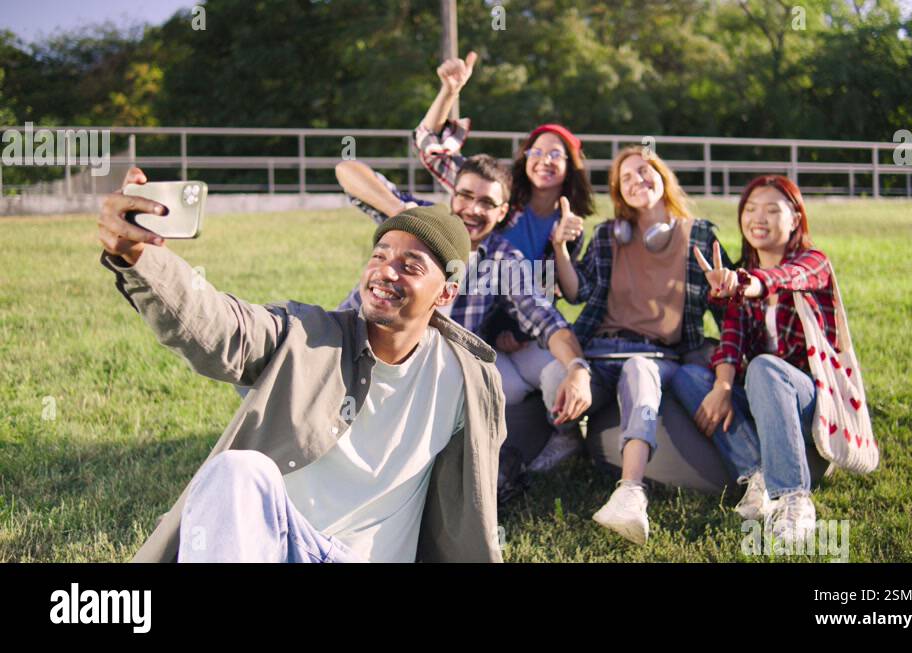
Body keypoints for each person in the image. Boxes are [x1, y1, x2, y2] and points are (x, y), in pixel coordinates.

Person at [98, 167, 507, 563]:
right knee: (237, 472)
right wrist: (141, 260)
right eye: (380, 255)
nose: (385, 271)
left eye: (410, 266)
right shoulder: (308, 336)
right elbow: (222, 329)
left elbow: (473, 501)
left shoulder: (468, 379)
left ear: (446, 293)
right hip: (278, 546)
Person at [337, 155, 593, 498]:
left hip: (428, 375)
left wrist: (577, 368)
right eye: (466, 196)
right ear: (452, 195)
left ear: (502, 212)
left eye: (487, 202)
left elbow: (546, 318)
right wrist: (398, 209)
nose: (472, 209)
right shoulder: (422, 222)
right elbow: (346, 170)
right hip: (357, 345)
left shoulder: (503, 259)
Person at [537, 146, 733, 545]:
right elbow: (578, 293)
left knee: (639, 370)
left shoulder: (698, 235)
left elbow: (727, 305)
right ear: (619, 192)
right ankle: (567, 439)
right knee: (554, 373)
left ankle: (630, 492)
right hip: (600, 352)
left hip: (657, 355)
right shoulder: (609, 236)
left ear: (662, 177)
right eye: (626, 178)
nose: (637, 181)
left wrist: (723, 292)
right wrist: (559, 248)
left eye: (644, 172)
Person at [410, 51, 594, 403]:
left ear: (571, 166)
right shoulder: (494, 197)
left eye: (557, 154)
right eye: (536, 151)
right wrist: (449, 92)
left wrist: (560, 247)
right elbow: (428, 146)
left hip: (521, 328)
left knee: (543, 377)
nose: (544, 160)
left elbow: (561, 296)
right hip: (467, 314)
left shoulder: (569, 225)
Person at [670, 175, 836, 547]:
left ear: (795, 219)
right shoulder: (741, 272)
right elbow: (731, 339)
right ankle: (758, 473)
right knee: (687, 377)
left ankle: (793, 497)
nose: (758, 217)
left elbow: (782, 278)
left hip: (807, 400)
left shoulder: (813, 263)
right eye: (750, 209)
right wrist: (723, 387)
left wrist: (745, 284)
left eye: (772, 210)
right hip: (761, 394)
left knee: (763, 366)